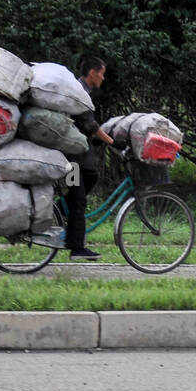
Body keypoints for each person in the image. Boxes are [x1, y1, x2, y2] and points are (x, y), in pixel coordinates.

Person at [65, 54, 117, 260]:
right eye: (102, 74)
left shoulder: (81, 91)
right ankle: (76, 248)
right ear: (93, 73)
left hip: (74, 154)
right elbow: (89, 123)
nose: (103, 79)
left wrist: (94, 138)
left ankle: (59, 213)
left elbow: (83, 124)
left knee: (91, 176)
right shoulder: (79, 92)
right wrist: (112, 141)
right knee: (78, 200)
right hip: (68, 158)